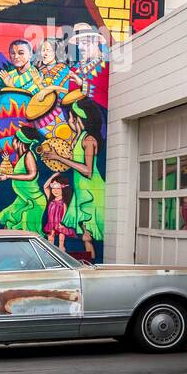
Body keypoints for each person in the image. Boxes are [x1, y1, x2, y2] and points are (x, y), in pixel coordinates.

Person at [50, 97, 105, 260]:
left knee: (87, 236)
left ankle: (92, 266)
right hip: (81, 191)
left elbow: (87, 171)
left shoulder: (89, 140)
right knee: (85, 236)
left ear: (79, 117)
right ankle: (91, 266)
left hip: (91, 193)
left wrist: (59, 158)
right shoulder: (79, 137)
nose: (69, 119)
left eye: (71, 116)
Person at [0, 125, 46, 233]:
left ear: (20, 142)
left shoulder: (28, 155)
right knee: (9, 221)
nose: (12, 142)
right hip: (23, 198)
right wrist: (6, 161)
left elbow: (32, 175)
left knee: (27, 230)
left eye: (13, 139)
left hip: (34, 201)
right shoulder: (23, 156)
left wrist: (9, 176)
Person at [42, 174, 76, 246]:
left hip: (59, 224)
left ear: (63, 189)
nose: (55, 191)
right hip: (51, 223)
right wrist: (53, 176)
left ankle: (61, 250)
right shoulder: (50, 199)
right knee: (50, 238)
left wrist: (63, 223)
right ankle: (50, 253)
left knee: (61, 240)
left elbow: (65, 213)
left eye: (58, 188)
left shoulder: (64, 202)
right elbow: (45, 187)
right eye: (53, 188)